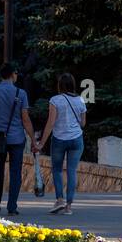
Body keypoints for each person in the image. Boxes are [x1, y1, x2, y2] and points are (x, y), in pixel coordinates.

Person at [0, 63, 36, 215]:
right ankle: (12, 207)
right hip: (17, 139)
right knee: (15, 172)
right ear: (13, 74)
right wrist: (33, 139)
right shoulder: (21, 93)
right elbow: (26, 119)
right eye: (16, 73)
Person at [36, 73, 87, 215]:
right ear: (73, 85)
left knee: (57, 170)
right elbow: (83, 123)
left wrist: (41, 143)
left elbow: (51, 123)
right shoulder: (80, 100)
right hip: (77, 139)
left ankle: (60, 200)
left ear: (60, 85)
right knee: (72, 171)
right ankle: (69, 207)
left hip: (59, 140)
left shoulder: (55, 100)